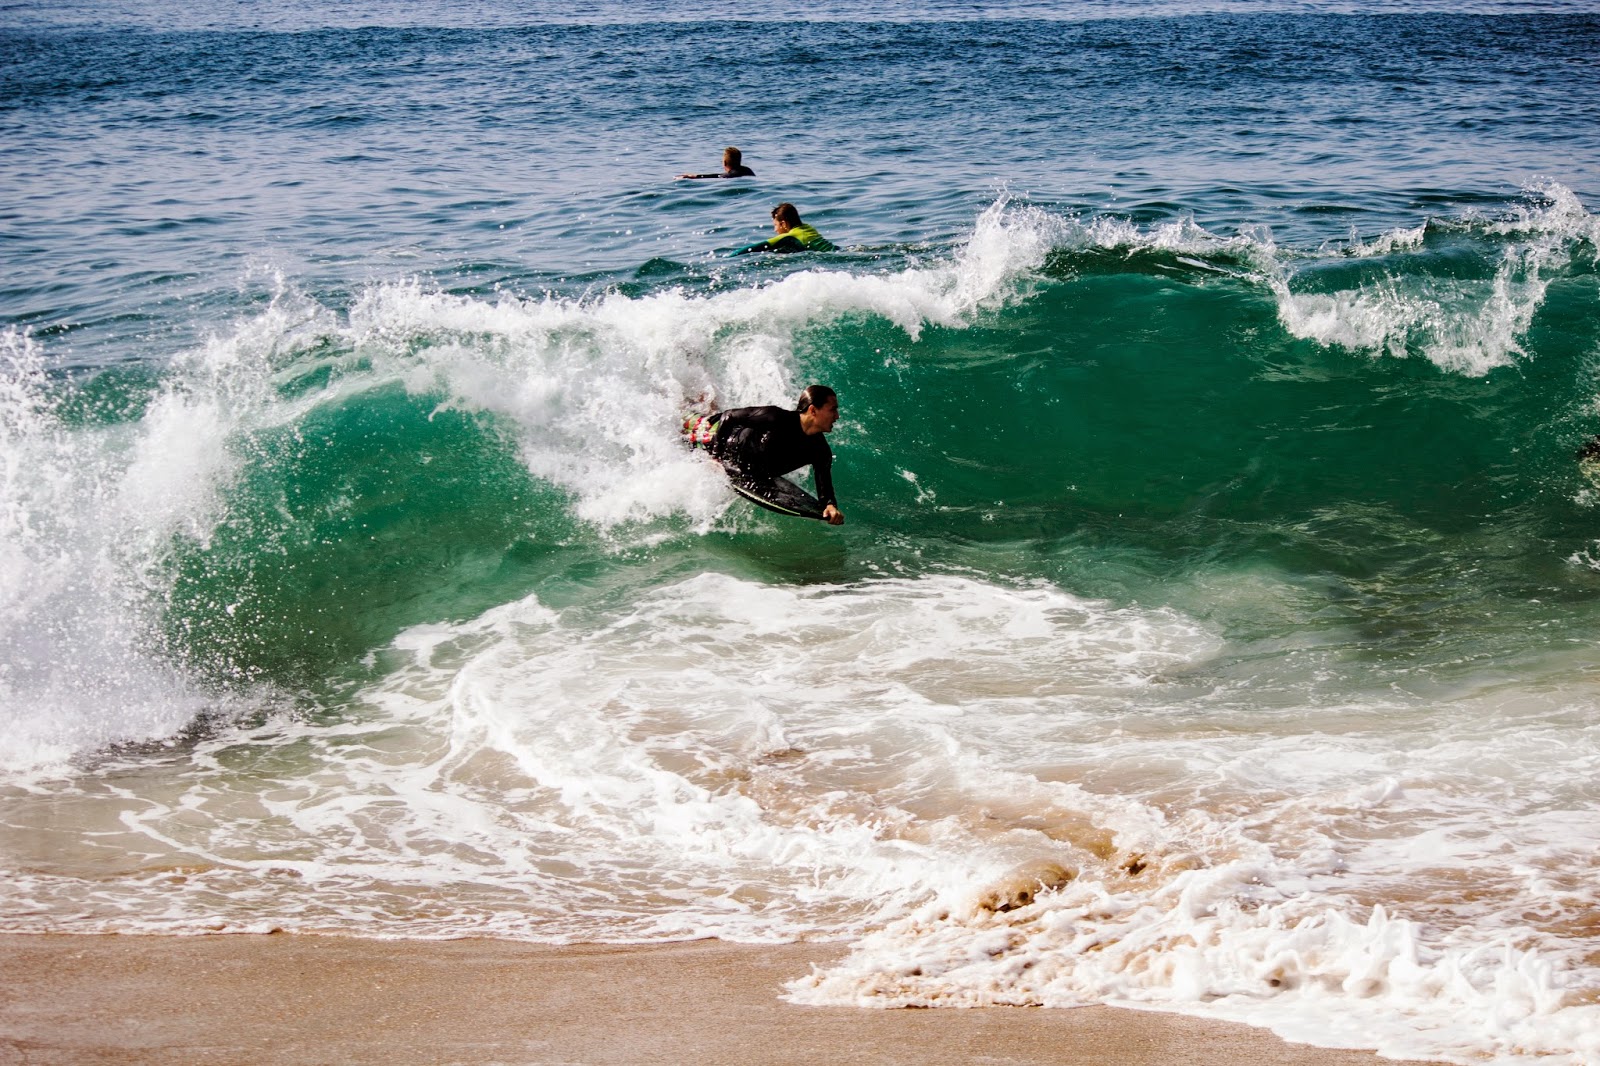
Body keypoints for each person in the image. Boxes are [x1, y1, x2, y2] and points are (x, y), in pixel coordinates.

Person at [692, 385, 844, 525]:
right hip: (716, 436)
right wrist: (715, 457)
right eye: (833, 409)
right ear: (813, 410)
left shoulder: (820, 451)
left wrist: (830, 505)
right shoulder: (775, 417)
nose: (837, 416)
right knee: (686, 419)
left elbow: (825, 488)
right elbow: (728, 416)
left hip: (751, 469)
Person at [729, 202, 836, 256]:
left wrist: (728, 258)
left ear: (783, 224)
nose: (775, 230)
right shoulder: (808, 228)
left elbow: (752, 248)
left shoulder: (790, 237)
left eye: (775, 225)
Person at [680, 147, 756, 180]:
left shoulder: (728, 176)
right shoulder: (748, 170)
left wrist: (695, 177)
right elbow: (718, 175)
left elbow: (716, 176)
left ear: (724, 163)